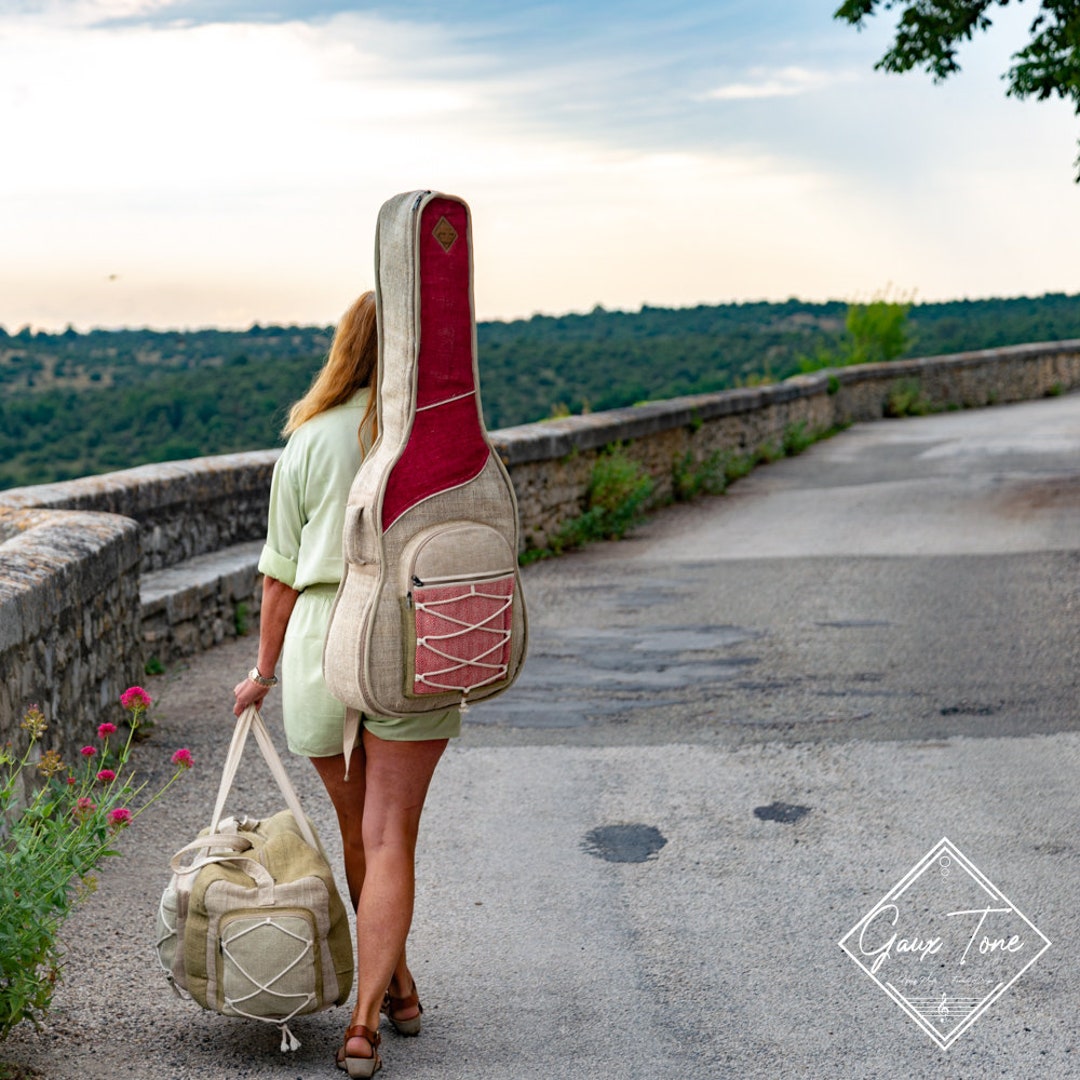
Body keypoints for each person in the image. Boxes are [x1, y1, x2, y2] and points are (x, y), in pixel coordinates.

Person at [233, 290, 460, 1078]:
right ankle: (375, 1010)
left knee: (358, 830)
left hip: (324, 643)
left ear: (347, 346)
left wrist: (261, 673)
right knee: (392, 833)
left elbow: (279, 581)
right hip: (414, 640)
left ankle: (392, 992)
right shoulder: (434, 434)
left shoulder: (306, 440)